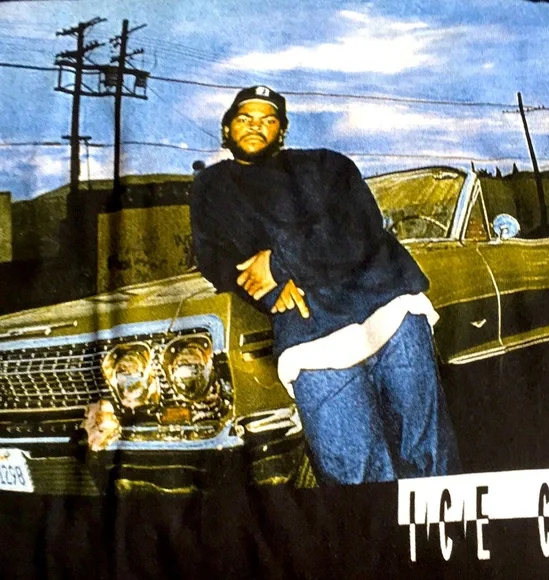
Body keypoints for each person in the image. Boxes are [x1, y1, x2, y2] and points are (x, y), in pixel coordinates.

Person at [189, 85, 460, 485]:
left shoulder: (326, 165)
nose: (255, 126)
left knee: (426, 457)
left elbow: (359, 229)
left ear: (282, 131)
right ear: (226, 129)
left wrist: (278, 263)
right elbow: (216, 259)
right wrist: (269, 289)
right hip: (310, 334)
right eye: (245, 118)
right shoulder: (211, 187)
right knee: (354, 475)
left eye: (267, 120)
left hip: (389, 310)